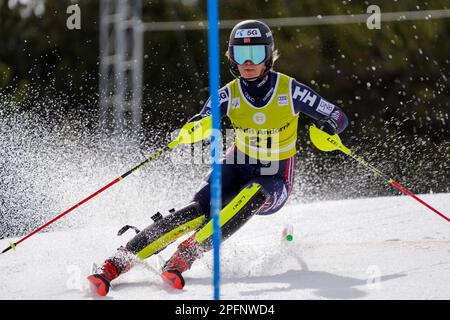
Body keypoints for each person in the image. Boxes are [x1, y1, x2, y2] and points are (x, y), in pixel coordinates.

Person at [87, 20, 348, 296]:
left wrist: (328, 130)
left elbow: (338, 116)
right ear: (231, 58)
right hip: (236, 167)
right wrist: (194, 129)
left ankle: (185, 256)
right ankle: (114, 265)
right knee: (195, 212)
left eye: (256, 55)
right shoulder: (228, 94)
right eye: (241, 55)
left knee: (254, 193)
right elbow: (203, 118)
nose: (248, 63)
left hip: (275, 177)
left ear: (269, 56)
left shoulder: (290, 90)